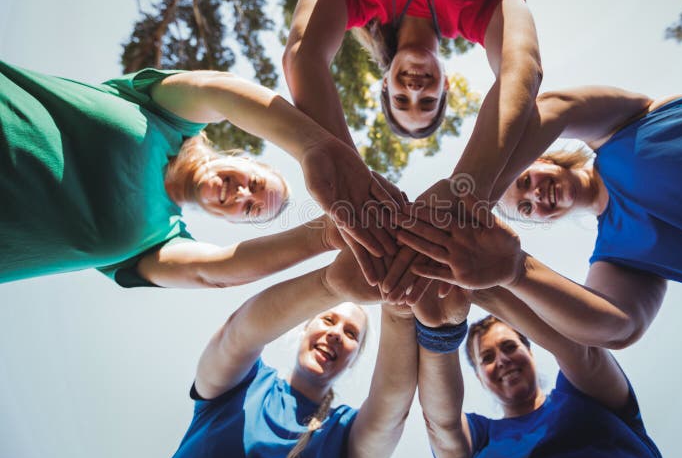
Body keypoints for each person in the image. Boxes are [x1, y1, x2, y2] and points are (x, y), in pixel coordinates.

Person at [397, 65, 682, 350]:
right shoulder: (620, 255)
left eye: (523, 180)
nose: (536, 195)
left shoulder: (622, 126)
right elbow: (617, 328)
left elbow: (553, 108)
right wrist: (517, 270)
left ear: (542, 160)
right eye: (526, 208)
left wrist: (471, 192)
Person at [283, 0, 543, 284]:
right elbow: (524, 69)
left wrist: (342, 160)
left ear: (385, 83)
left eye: (402, 99)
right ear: (447, 84)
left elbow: (302, 53)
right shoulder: (484, 6)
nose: (415, 90)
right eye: (429, 100)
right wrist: (466, 188)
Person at [0, 60, 399, 287]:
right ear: (244, 157)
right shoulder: (166, 118)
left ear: (229, 219)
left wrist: (328, 234)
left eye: (249, 209)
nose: (242, 194)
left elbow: (215, 271)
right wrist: (313, 145)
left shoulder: (157, 244)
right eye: (255, 184)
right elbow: (217, 90)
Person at [167, 248, 417, 458]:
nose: (335, 334)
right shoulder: (244, 384)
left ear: (355, 359)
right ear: (304, 328)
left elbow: (392, 409)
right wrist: (331, 284)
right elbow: (238, 335)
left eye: (351, 333)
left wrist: (399, 305)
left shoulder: (343, 434)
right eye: (328, 320)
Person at [412, 280, 663, 458]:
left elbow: (581, 352)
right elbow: (442, 425)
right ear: (479, 376)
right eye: (487, 358)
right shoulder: (481, 437)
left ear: (530, 351)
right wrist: (440, 330)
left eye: (510, 346)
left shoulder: (580, 396)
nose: (502, 360)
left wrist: (477, 285)